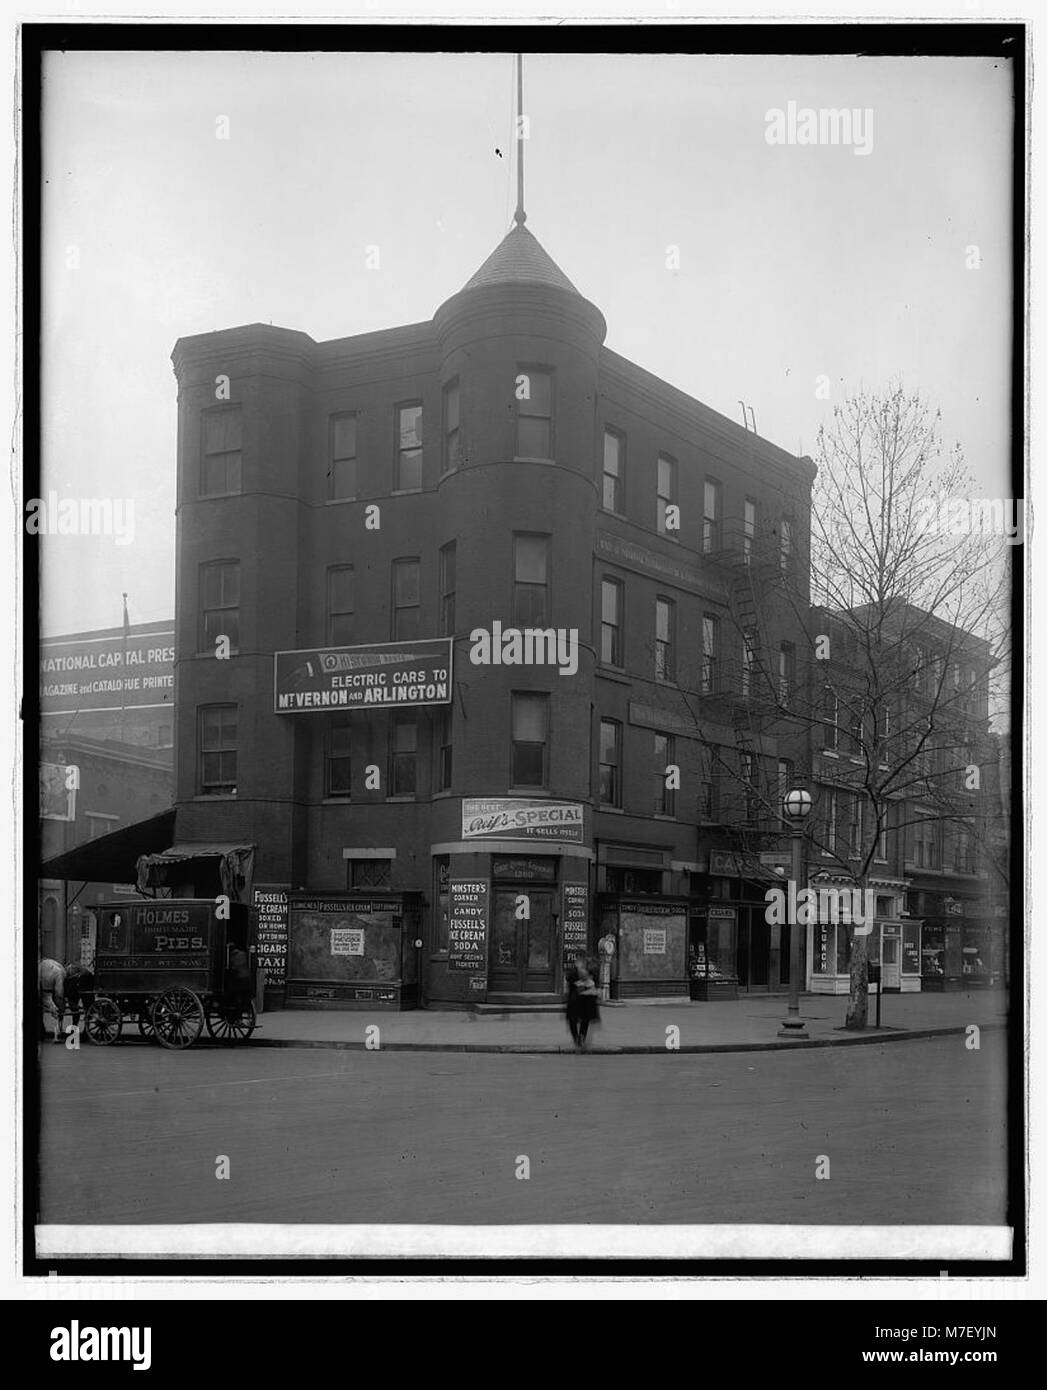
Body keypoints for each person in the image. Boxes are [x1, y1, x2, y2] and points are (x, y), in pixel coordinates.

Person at [565, 950, 600, 1050]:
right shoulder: (579, 970)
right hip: (583, 1000)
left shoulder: (580, 969)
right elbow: (569, 978)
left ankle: (578, 1038)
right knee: (582, 1020)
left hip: (579, 1000)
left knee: (577, 1020)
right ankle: (580, 1038)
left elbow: (568, 979)